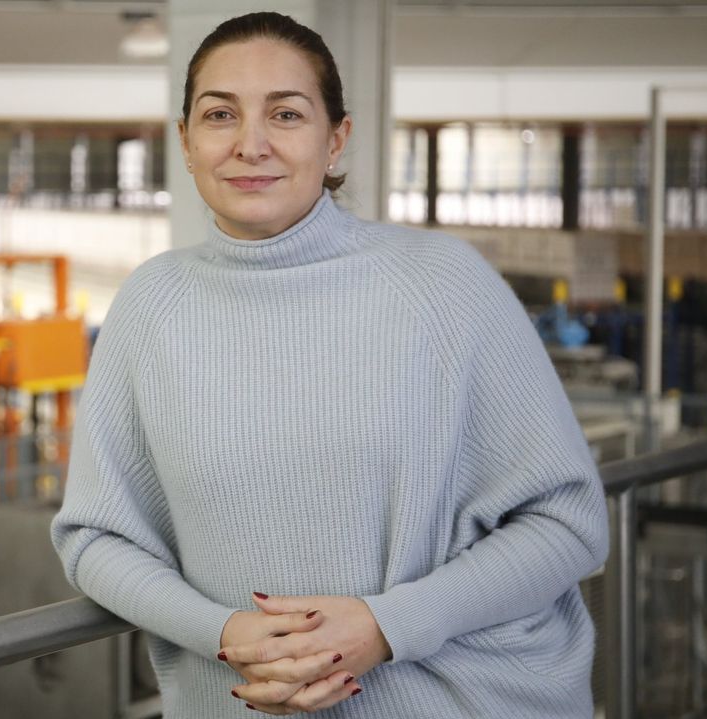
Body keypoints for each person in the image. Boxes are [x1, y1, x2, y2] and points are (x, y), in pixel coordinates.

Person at [51, 11, 609, 719]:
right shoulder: (149, 306)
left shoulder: (444, 285)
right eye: (220, 114)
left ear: (335, 137)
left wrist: (387, 625)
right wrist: (227, 635)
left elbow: (568, 521)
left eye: (286, 113)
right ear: (187, 141)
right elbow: (97, 536)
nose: (250, 145)